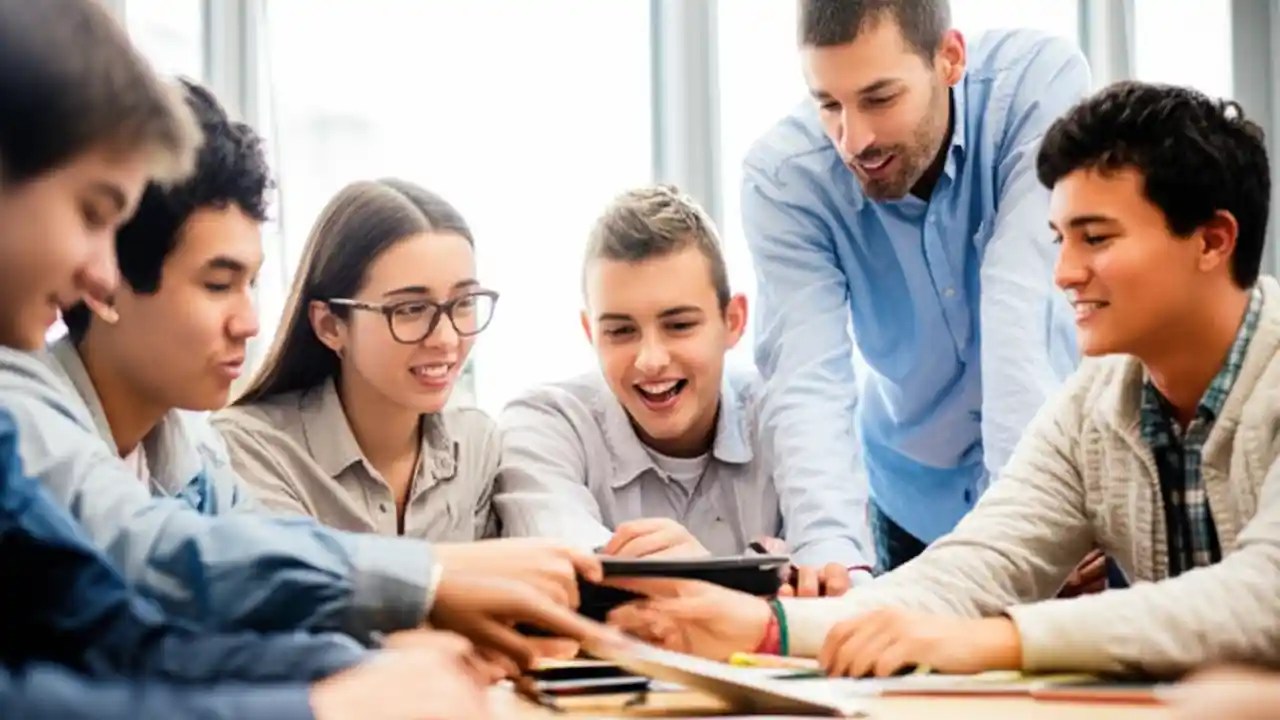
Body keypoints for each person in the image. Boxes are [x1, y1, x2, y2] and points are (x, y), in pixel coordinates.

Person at [607, 81, 1280, 678]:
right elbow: (972, 571)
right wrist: (764, 628)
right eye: (1060, 240)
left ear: (1213, 240)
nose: (1065, 272)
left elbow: (1263, 596)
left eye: (1096, 239)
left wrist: (992, 642)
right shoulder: (1093, 406)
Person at [0, 31, 603, 673]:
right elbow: (161, 554)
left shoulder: (193, 453)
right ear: (109, 282)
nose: (250, 322)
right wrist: (428, 579)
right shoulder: (21, 405)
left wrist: (398, 656)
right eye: (217, 284)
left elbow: (264, 603)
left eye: (251, 283)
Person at [745, 0, 1094, 578]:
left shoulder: (1037, 85)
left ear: (950, 59)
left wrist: (1027, 534)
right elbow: (807, 379)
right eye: (828, 104)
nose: (853, 140)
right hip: (912, 501)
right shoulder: (785, 178)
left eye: (880, 99)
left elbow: (1021, 302)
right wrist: (832, 561)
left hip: (1048, 478)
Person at [497, 185, 855, 597]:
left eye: (679, 325)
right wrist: (722, 581)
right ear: (590, 332)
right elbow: (567, 576)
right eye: (620, 331)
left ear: (733, 321)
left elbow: (839, 577)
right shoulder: (543, 423)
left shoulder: (790, 416)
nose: (650, 360)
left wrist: (701, 576)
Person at [215, 179, 501, 542]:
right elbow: (303, 592)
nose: (446, 338)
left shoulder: (477, 444)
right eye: (411, 309)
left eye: (464, 304)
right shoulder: (251, 450)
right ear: (330, 325)